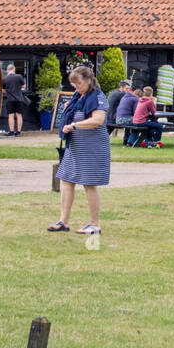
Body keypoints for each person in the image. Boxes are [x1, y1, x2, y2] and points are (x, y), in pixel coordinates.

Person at [47, 65, 110, 235]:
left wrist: (74, 125)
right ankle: (63, 221)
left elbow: (98, 120)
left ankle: (95, 224)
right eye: (73, 85)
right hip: (75, 147)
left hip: (92, 147)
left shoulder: (97, 97)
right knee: (67, 181)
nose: (76, 88)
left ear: (89, 80)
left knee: (89, 184)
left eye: (79, 84)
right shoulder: (78, 96)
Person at [3, 64, 28, 136]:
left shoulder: (5, 79)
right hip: (19, 99)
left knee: (11, 115)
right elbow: (24, 86)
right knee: (19, 115)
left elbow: (3, 90)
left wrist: (9, 91)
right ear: (14, 70)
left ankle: (11, 132)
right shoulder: (19, 76)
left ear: (7, 71)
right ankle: (18, 132)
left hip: (10, 99)